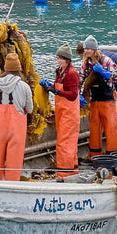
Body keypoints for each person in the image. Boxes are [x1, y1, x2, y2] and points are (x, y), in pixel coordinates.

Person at [0, 52, 33, 181]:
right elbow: (29, 108)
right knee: (14, 162)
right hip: (16, 128)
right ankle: (12, 186)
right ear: (18, 69)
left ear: (5, 69)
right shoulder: (24, 87)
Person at [39, 44, 80, 177]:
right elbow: (61, 88)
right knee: (69, 143)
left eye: (61, 58)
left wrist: (56, 91)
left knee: (64, 143)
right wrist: (49, 86)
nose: (59, 61)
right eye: (58, 58)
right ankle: (73, 170)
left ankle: (64, 174)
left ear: (67, 59)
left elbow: (73, 94)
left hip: (69, 114)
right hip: (62, 113)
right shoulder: (60, 72)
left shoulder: (72, 73)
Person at [77, 35, 117, 158]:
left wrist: (105, 73)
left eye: (88, 49)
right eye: (85, 49)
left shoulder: (107, 61)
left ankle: (113, 156)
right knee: (94, 129)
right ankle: (95, 156)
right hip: (95, 99)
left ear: (94, 50)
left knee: (111, 128)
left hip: (108, 100)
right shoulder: (86, 64)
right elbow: (79, 80)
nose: (86, 51)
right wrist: (78, 94)